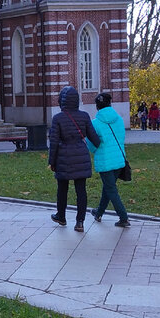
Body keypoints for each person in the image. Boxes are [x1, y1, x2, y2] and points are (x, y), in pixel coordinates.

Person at [48, 85, 100, 232]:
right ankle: (80, 222)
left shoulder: (57, 118)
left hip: (63, 157)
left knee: (62, 189)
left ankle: (61, 216)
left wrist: (52, 162)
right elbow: (94, 139)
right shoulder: (84, 116)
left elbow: (53, 142)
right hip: (81, 156)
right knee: (81, 190)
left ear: (62, 101)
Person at [87, 92, 131, 229]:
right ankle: (98, 212)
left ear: (97, 107)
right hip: (119, 159)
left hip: (105, 161)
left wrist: (96, 151)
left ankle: (123, 217)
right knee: (108, 187)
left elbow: (91, 144)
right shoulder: (118, 119)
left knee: (111, 189)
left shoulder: (95, 123)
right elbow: (122, 138)